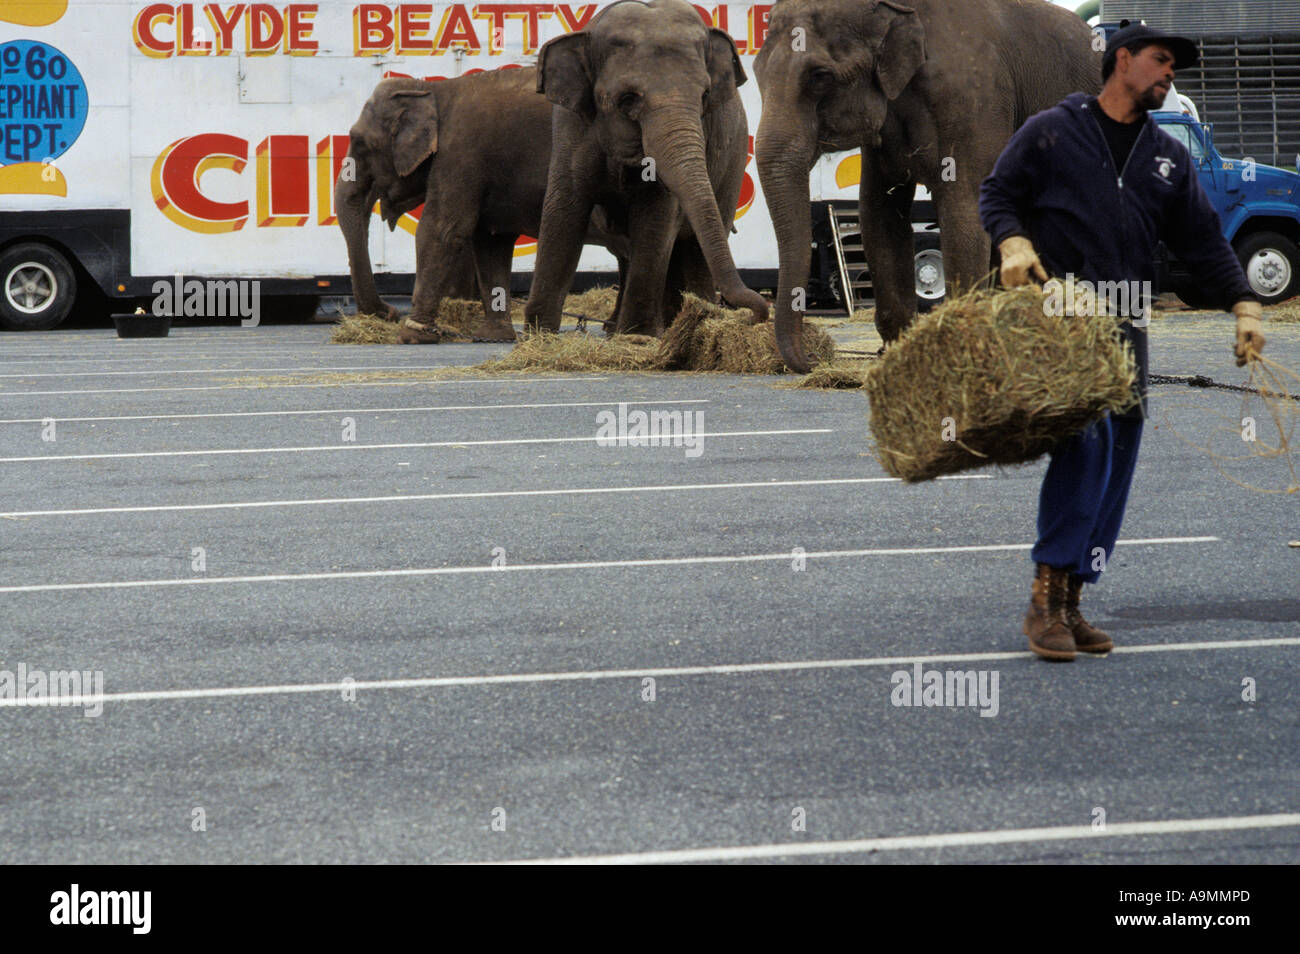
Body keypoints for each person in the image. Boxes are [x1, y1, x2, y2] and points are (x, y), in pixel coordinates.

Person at [978, 22, 1266, 662]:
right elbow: (998, 192)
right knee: (1088, 437)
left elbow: (1204, 243)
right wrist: (1013, 239)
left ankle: (1075, 596)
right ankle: (1044, 595)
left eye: (1175, 68)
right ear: (1123, 61)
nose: (1170, 75)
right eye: (1162, 62)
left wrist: (1244, 303)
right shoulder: (1053, 130)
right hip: (1058, 317)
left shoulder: (1167, 155)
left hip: (1128, 324)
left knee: (1120, 450)